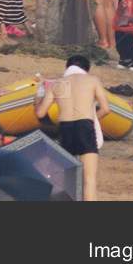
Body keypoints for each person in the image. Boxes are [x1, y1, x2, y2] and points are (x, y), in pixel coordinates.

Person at [34, 56, 112, 200]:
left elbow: (40, 113)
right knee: (89, 180)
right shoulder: (92, 80)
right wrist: (93, 119)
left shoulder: (57, 84)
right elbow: (106, 109)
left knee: (68, 179)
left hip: (65, 128)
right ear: (86, 70)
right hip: (85, 126)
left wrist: (38, 96)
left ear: (67, 68)